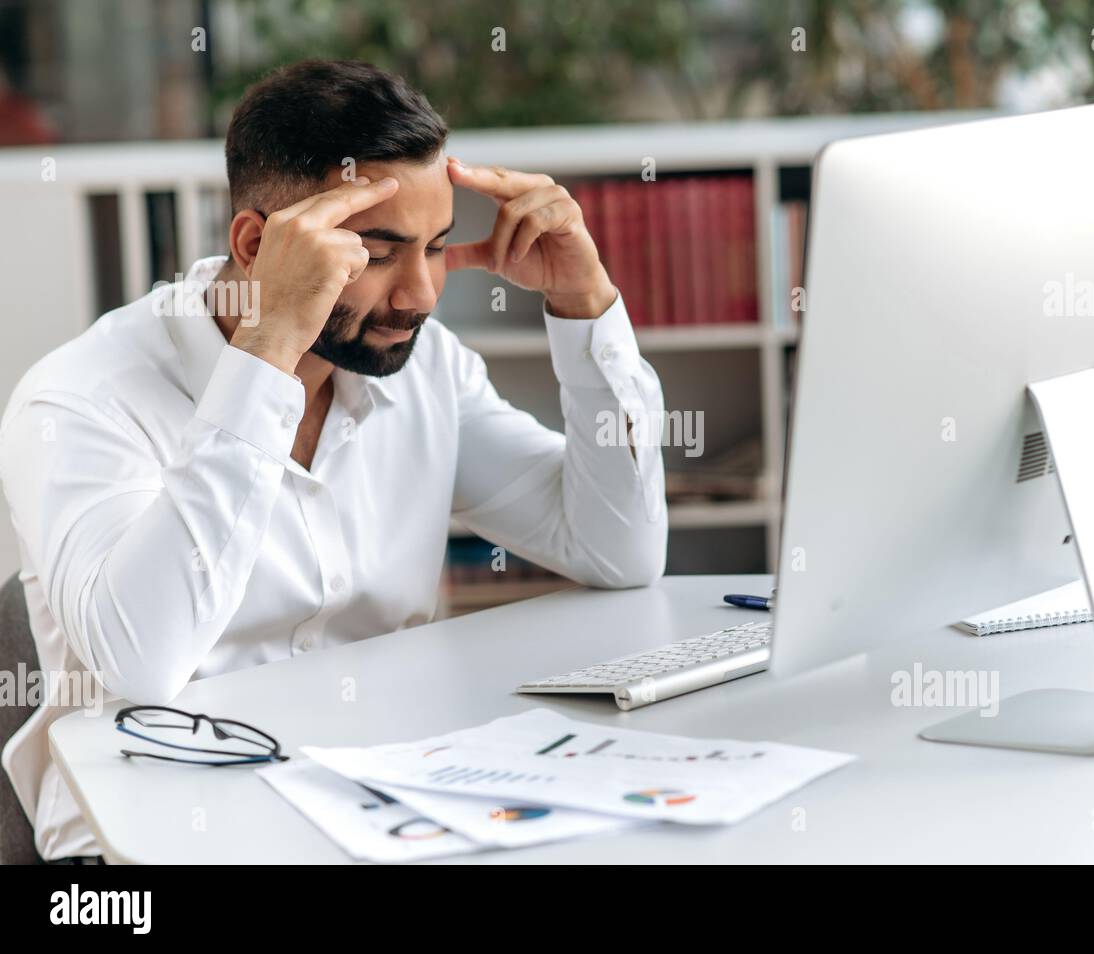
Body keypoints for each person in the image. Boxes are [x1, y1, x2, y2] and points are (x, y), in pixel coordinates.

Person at [0, 59, 667, 861]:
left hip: (386, 805)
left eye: (436, 247)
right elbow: (144, 660)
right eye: (378, 253)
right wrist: (269, 347)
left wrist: (585, 303)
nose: (420, 294)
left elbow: (617, 549)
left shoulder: (427, 369)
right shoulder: (79, 399)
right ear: (257, 244)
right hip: (148, 838)